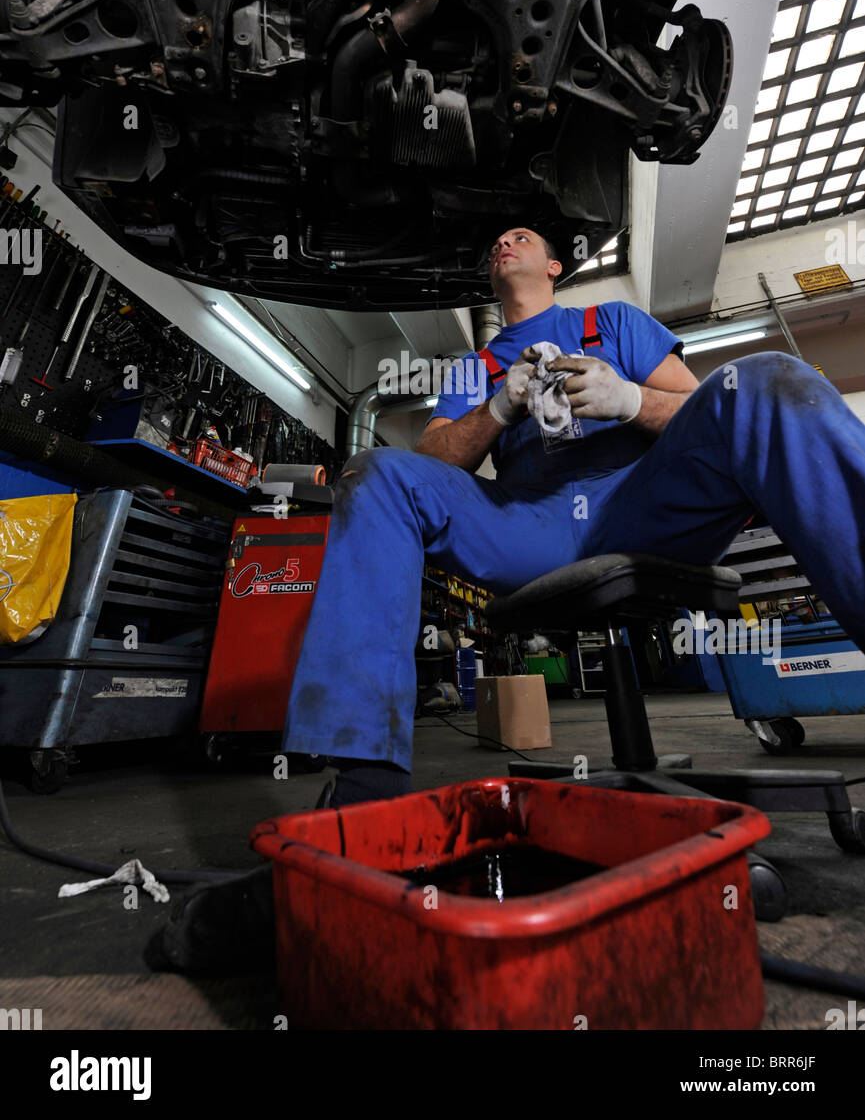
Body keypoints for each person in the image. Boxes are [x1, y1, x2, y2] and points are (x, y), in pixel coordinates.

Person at [148, 225, 865, 971]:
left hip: (645, 507)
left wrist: (626, 400)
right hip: (528, 526)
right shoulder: (473, 366)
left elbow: (702, 412)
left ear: (554, 266)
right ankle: (363, 808)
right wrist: (500, 406)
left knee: (767, 382)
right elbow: (433, 461)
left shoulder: (610, 322)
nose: (504, 241)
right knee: (379, 473)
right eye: (493, 239)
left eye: (521, 235)